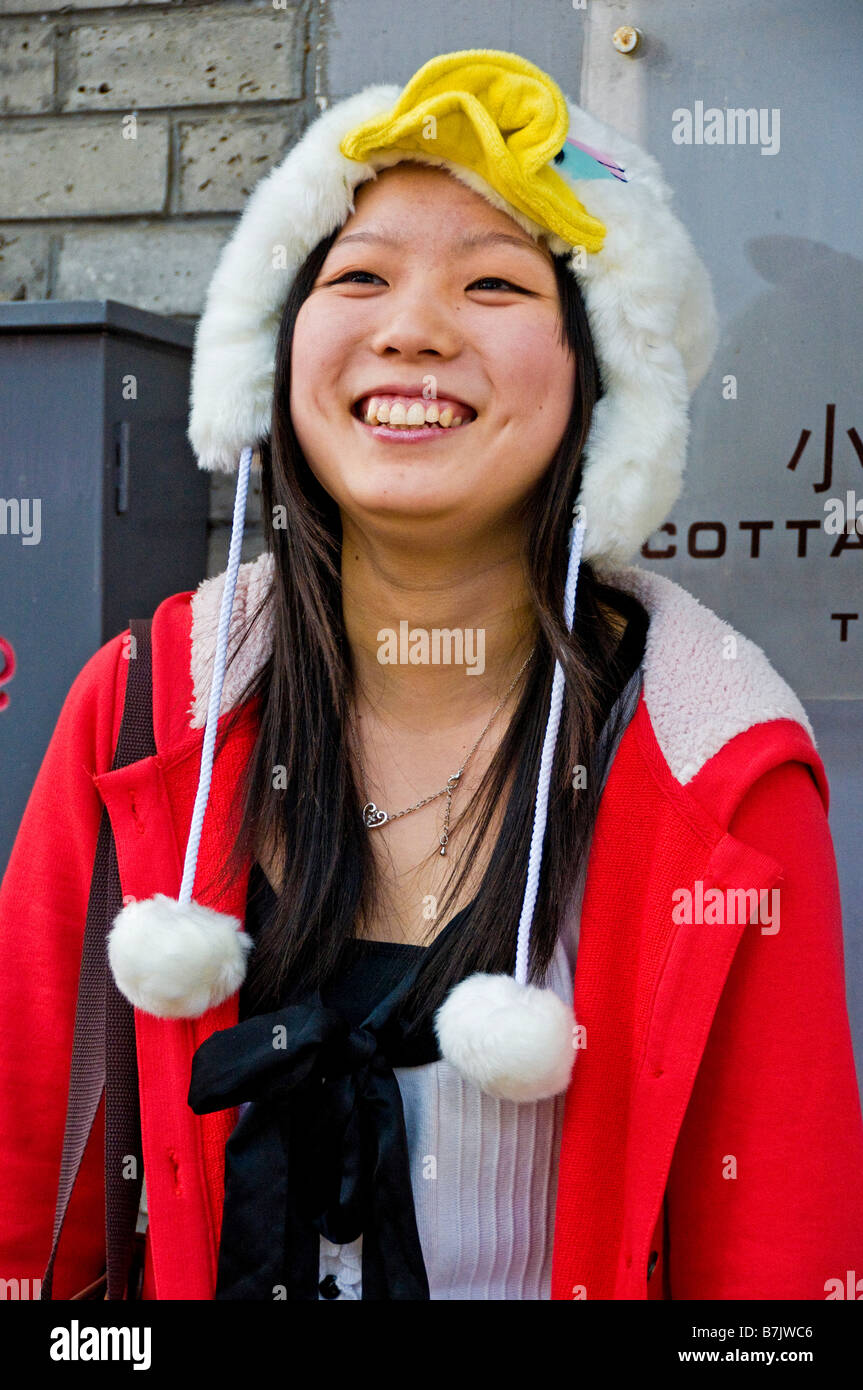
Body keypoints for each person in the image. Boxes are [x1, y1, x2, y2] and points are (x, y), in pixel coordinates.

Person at [1, 49, 861, 1302]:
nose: (412, 328)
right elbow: (31, 1226)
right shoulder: (141, 705)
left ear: (597, 383)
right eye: (357, 275)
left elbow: (772, 1287)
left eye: (495, 283)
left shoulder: (717, 769)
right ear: (276, 352)